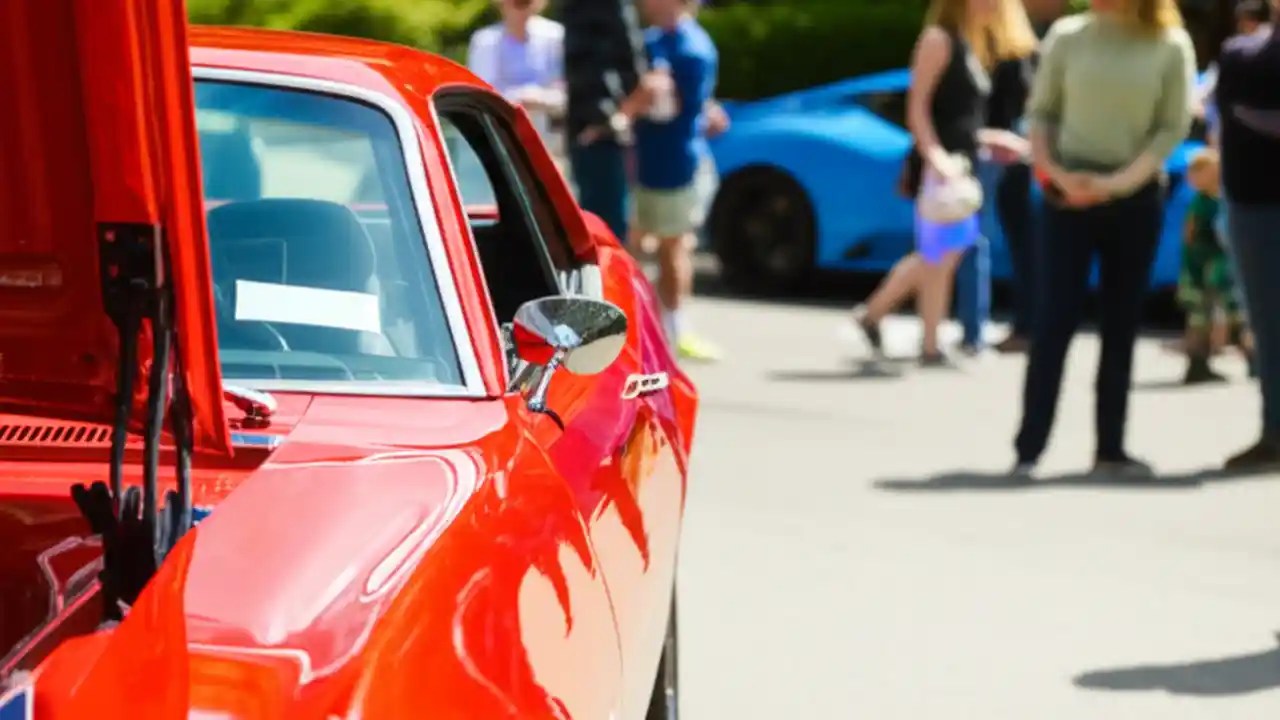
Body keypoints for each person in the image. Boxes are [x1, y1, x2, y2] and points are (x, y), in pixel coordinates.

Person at [1013, 0, 1196, 478]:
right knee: (1054, 319)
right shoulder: (1069, 35)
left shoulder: (1169, 45)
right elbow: (1042, 112)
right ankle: (1029, 445)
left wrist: (1115, 185)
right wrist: (1057, 175)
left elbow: (1170, 128)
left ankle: (1110, 447)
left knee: (1120, 323)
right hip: (1064, 195)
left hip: (1134, 198)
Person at [852, 0, 1034, 366]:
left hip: (962, 165)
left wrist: (992, 140)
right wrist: (935, 158)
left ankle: (893, 323)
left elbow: (963, 119)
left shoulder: (971, 43)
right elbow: (918, 107)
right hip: (942, 169)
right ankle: (909, 333)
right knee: (938, 254)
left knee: (943, 255)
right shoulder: (939, 38)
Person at [631, 0, 722, 360]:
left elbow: (677, 109)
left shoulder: (693, 49)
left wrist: (641, 100)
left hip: (675, 165)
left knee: (673, 246)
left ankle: (675, 329)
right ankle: (641, 325)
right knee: (633, 244)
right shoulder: (649, 40)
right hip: (642, 161)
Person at [1217, 0, 1280, 470]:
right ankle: (1275, 431)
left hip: (1253, 209)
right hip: (1256, 210)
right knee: (1270, 326)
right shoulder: (1242, 56)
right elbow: (1241, 124)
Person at [561, 0, 654, 243]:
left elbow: (635, 73)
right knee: (584, 227)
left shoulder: (613, 7)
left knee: (608, 231)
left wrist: (608, 121)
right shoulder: (571, 8)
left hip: (605, 135)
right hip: (576, 130)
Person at [1177, 148, 1244, 384]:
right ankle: (1196, 365)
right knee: (1200, 318)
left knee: (1217, 315)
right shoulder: (1201, 203)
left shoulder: (1219, 199)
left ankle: (1204, 363)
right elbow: (1190, 235)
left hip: (1215, 270)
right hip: (1200, 270)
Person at [467, 0, 565, 146]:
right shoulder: (484, 41)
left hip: (552, 135)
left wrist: (537, 98)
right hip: (501, 133)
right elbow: (480, 93)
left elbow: (567, 91)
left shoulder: (556, 36)